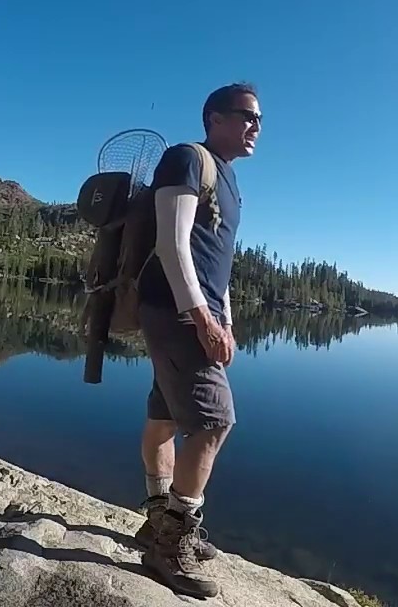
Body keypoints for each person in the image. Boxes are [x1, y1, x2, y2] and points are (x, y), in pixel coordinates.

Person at [132, 82, 260, 598]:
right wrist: (201, 318)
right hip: (175, 311)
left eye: (260, 120)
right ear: (214, 117)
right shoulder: (188, 158)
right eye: (247, 116)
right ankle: (170, 545)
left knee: (164, 419)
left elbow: (217, 266)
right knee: (213, 422)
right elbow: (171, 242)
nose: (255, 127)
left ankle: (158, 520)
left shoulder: (229, 180)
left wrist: (225, 319)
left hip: (198, 311)